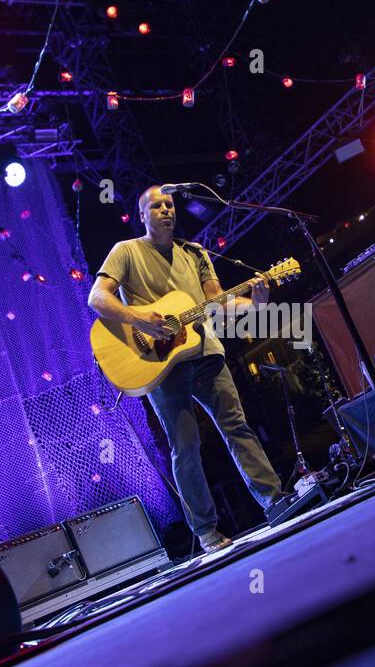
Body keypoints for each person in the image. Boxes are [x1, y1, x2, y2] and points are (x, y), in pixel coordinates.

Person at [88, 184, 287, 553]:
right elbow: (97, 298)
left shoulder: (195, 252)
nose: (166, 210)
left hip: (206, 351)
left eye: (170, 204)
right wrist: (140, 321)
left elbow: (217, 305)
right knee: (186, 444)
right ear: (142, 215)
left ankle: (274, 500)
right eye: (157, 206)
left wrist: (257, 304)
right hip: (161, 365)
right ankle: (206, 530)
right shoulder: (126, 251)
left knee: (237, 426)